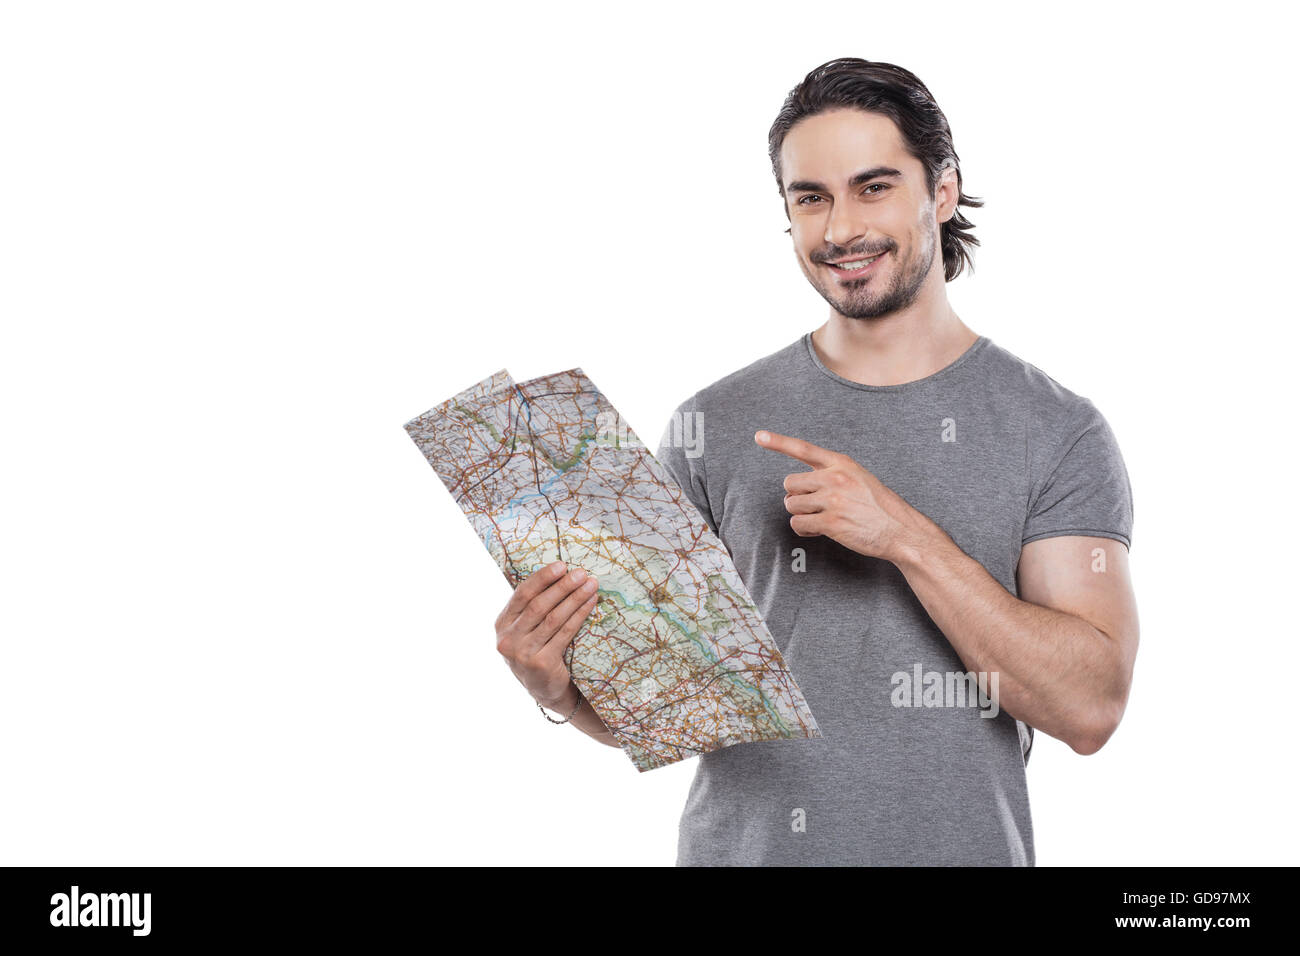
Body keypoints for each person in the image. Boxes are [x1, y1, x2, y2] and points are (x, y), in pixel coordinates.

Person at [494, 57, 1139, 866]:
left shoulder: (1056, 429)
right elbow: (663, 705)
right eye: (811, 197)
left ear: (941, 191)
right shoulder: (711, 424)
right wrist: (558, 688)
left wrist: (902, 534)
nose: (838, 229)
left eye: (873, 187)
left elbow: (1090, 707)